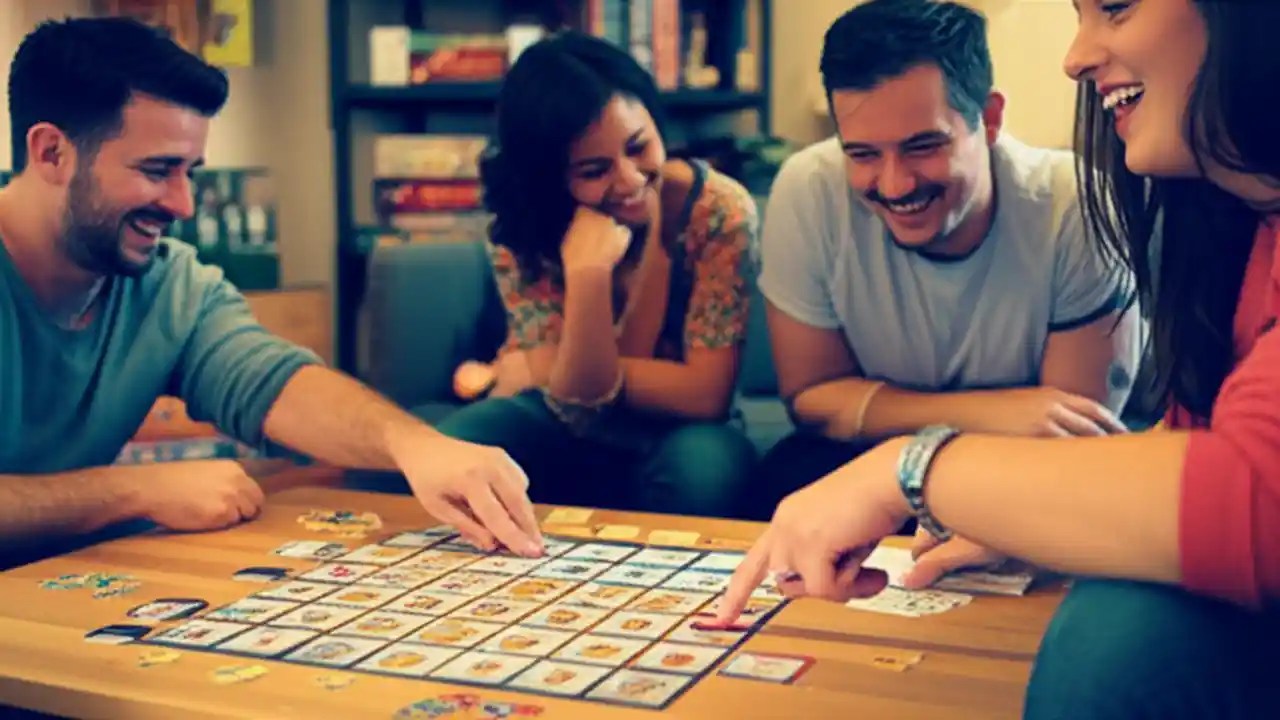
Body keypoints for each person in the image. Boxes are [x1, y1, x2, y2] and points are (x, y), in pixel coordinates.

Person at [714, 0, 1280, 716]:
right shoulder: (1234, 227)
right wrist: (1014, 506)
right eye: (863, 153)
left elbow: (1245, 491)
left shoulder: (1076, 200)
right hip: (932, 474)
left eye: (1115, 6)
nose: (1074, 57)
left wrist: (912, 469)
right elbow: (1194, 441)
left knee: (1119, 636)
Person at [0, 17, 543, 567]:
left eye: (191, 173)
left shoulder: (167, 283)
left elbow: (276, 382)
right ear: (51, 153)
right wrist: (132, 491)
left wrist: (416, 446)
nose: (183, 204)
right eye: (158, 170)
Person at [745, 0, 1143, 576]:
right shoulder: (807, 189)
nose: (894, 185)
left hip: (1028, 470)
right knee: (786, 480)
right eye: (862, 154)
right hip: (863, 459)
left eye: (922, 146)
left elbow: (1069, 431)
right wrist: (989, 412)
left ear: (990, 119)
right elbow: (812, 399)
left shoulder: (1074, 205)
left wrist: (898, 423)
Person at [435, 32, 759, 518]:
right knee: (449, 453)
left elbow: (705, 395)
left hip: (683, 429)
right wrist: (587, 271)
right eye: (593, 170)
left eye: (639, 146)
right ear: (549, 176)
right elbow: (570, 404)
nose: (630, 180)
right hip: (556, 424)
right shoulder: (521, 224)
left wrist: (546, 366)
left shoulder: (717, 209)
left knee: (705, 473)